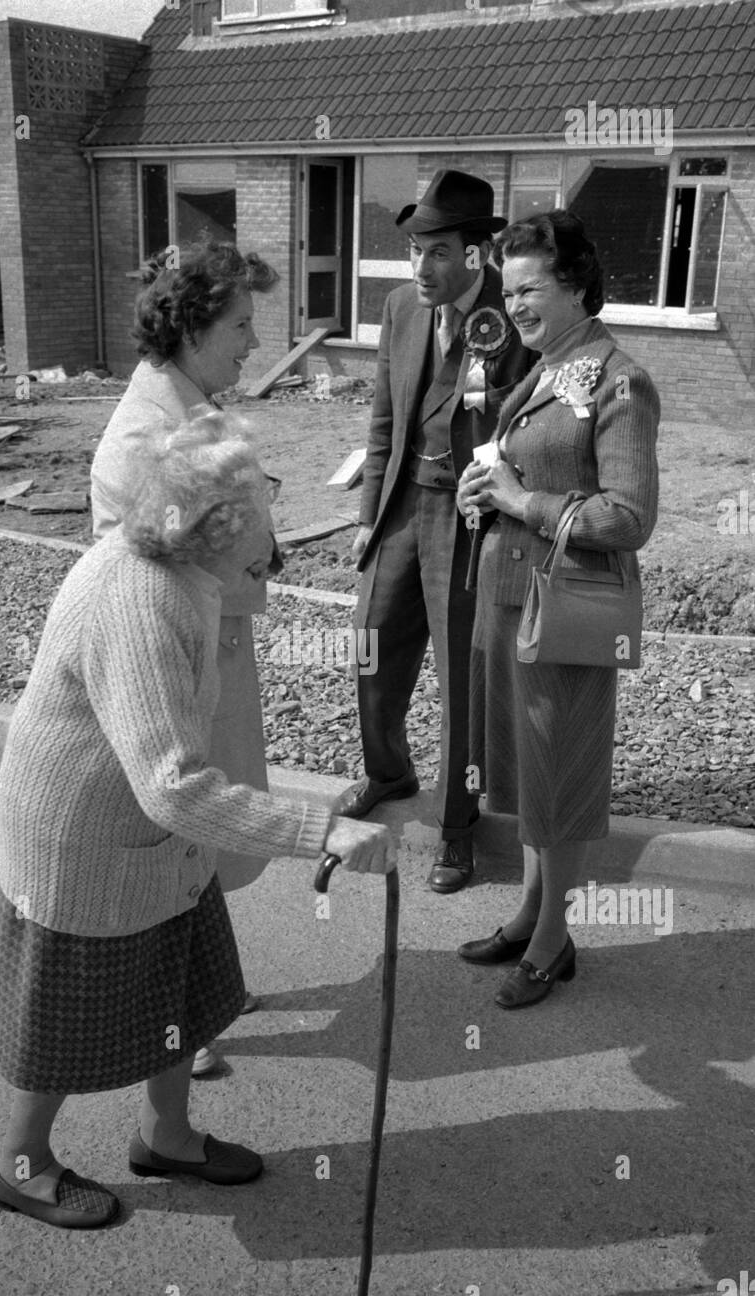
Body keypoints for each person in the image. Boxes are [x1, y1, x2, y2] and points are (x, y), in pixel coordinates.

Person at [0, 412, 395, 1229]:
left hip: (152, 835)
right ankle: (19, 1163)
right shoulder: (136, 599)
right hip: (87, 841)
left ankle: (165, 1135)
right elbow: (170, 787)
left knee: (180, 980)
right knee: (68, 1012)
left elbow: (171, 781)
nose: (275, 524)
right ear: (217, 527)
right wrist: (322, 830)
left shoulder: (183, 573)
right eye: (263, 505)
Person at [456, 209, 659, 1008]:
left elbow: (627, 517)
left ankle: (552, 944)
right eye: (508, 293)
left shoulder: (617, 379)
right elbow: (522, 477)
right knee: (528, 777)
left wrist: (523, 499)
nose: (515, 307)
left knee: (561, 782)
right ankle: (529, 913)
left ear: (575, 284)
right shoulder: (545, 369)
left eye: (530, 289)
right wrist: (489, 495)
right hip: (513, 602)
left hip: (568, 614)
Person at [91, 238, 278, 1075]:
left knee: (199, 847)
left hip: (211, 650)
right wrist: (254, 553)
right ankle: (178, 1025)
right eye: (240, 324)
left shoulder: (191, 406)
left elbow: (229, 541)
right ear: (195, 328)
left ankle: (204, 990)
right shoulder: (148, 437)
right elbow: (175, 569)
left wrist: (259, 548)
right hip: (169, 668)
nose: (253, 342)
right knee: (178, 839)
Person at [334, 170, 537, 893]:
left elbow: (524, 427)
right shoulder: (397, 308)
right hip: (398, 511)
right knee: (369, 646)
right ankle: (388, 774)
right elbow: (383, 418)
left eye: (439, 251)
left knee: (460, 677)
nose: (422, 267)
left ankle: (458, 826)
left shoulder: (512, 320)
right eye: (415, 249)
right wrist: (365, 520)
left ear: (476, 253)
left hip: (469, 521)